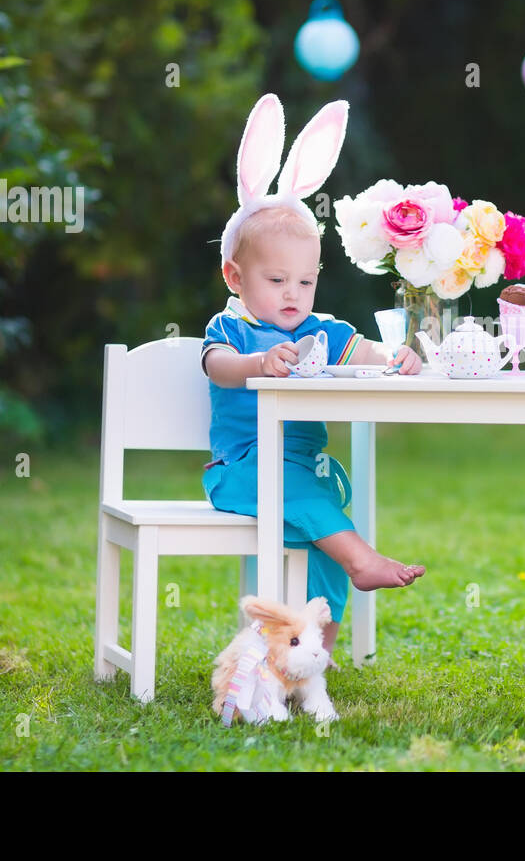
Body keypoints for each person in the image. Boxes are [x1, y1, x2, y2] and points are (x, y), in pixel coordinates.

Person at [203, 93, 424, 656]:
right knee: (317, 513)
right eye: (276, 281)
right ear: (235, 276)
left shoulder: (322, 331)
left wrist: (394, 357)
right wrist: (258, 365)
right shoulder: (234, 331)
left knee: (320, 528)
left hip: (305, 472)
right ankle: (363, 560)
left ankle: (316, 654)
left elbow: (364, 352)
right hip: (242, 473)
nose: (293, 296)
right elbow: (219, 369)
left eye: (305, 282)